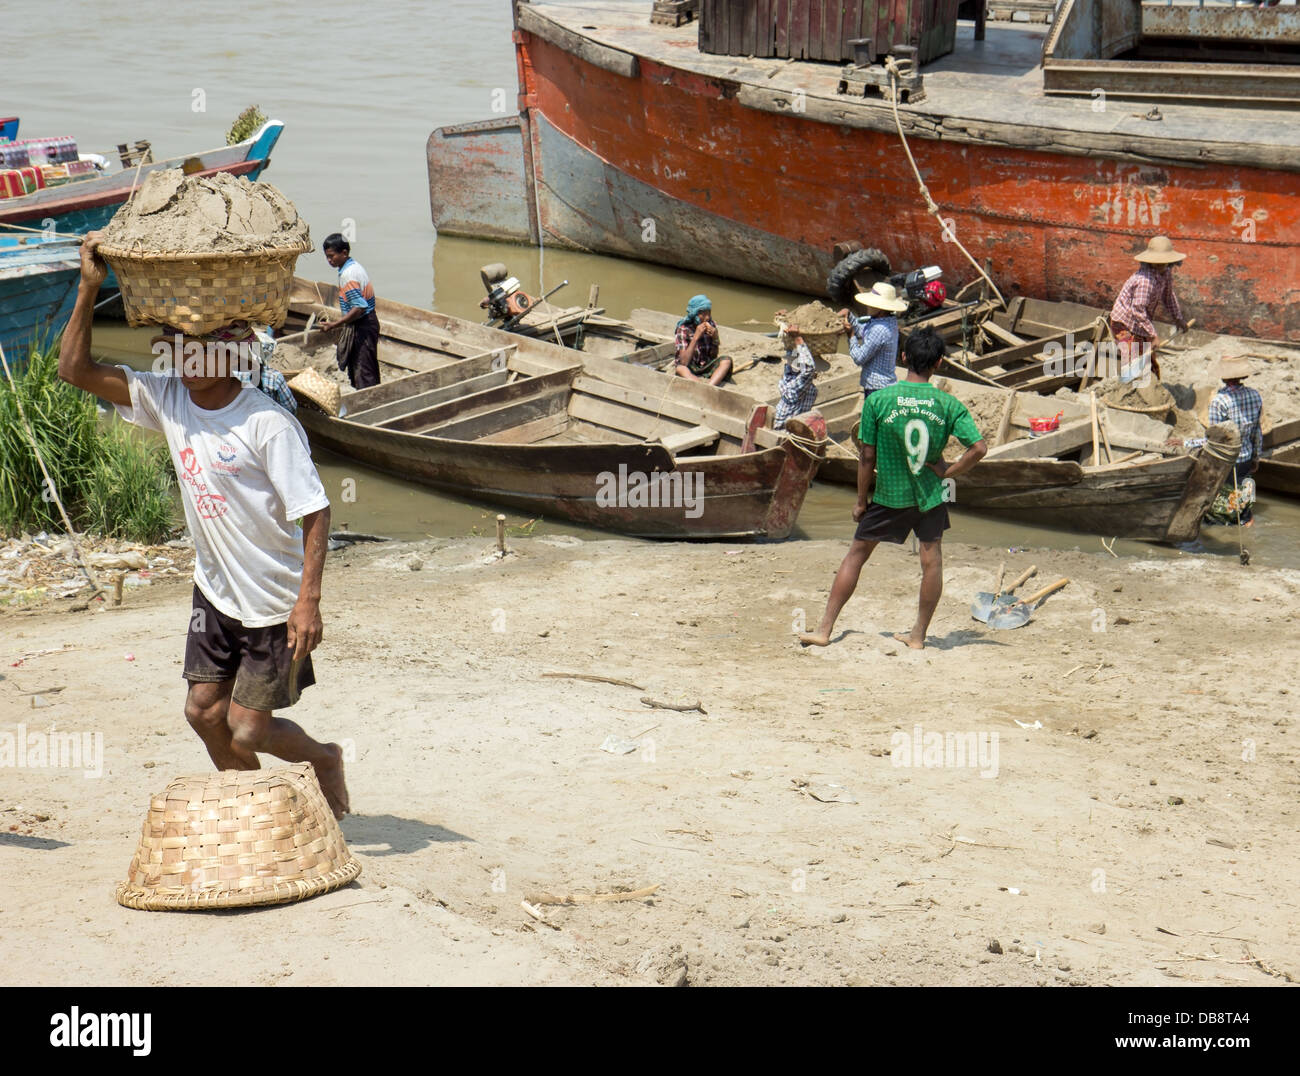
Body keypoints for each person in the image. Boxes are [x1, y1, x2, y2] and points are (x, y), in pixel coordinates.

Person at [58, 232, 350, 819]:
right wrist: (91, 285)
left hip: (272, 601)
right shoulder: (168, 400)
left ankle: (321, 757)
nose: (181, 360)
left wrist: (308, 601)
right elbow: (74, 368)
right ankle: (256, 810)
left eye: (196, 349)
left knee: (244, 730)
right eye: (175, 346)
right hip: (215, 594)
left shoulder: (266, 424)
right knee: (202, 712)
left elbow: (315, 510)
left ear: (231, 355)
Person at [799, 326, 987, 652]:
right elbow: (979, 448)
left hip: (889, 494)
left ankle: (824, 630)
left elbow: (866, 455)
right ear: (939, 363)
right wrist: (949, 472)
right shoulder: (947, 404)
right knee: (932, 562)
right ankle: (917, 636)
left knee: (856, 556)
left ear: (904, 358)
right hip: (930, 495)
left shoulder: (879, 400)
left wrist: (860, 501)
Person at [1110, 235, 1189, 381]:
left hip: (1140, 324)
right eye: (1157, 263)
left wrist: (1179, 319)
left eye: (1164, 263)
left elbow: (1168, 297)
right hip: (1124, 324)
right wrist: (1153, 335)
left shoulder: (1165, 274)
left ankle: (1152, 388)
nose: (1161, 265)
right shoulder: (1144, 281)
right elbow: (1138, 310)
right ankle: (1128, 390)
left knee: (1150, 361)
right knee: (1135, 360)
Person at [1206, 355, 1263, 525]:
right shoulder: (1255, 395)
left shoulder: (1219, 401)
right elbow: (1256, 432)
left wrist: (1186, 443)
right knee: (1244, 509)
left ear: (1223, 376)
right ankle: (1247, 527)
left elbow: (1216, 440)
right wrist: (1256, 457)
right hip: (1245, 458)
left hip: (1227, 460)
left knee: (1219, 512)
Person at [321, 234, 381, 389]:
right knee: (365, 366)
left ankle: (368, 404)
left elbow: (359, 307)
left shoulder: (348, 275)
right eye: (327, 257)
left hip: (363, 325)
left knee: (363, 369)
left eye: (332, 256)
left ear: (344, 253)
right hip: (368, 321)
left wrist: (334, 324)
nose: (329, 260)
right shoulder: (353, 266)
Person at [841, 280, 908, 403]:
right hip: (884, 386)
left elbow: (859, 358)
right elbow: (863, 331)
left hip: (877, 388)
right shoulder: (887, 321)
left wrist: (850, 335)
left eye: (871, 304)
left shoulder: (879, 329)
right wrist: (849, 315)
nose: (868, 306)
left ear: (881, 308)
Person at [673, 294, 732, 386]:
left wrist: (715, 338)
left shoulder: (711, 324)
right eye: (703, 313)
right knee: (680, 369)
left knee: (726, 361)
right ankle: (700, 385)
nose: (707, 317)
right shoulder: (683, 328)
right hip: (690, 366)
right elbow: (684, 362)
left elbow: (713, 356)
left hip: (705, 365)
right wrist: (696, 337)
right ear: (695, 314)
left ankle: (709, 386)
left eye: (709, 313)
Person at [773, 318, 818, 430]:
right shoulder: (796, 388)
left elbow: (793, 355)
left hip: (787, 427)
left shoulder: (788, 379)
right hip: (785, 431)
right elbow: (808, 369)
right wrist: (798, 338)